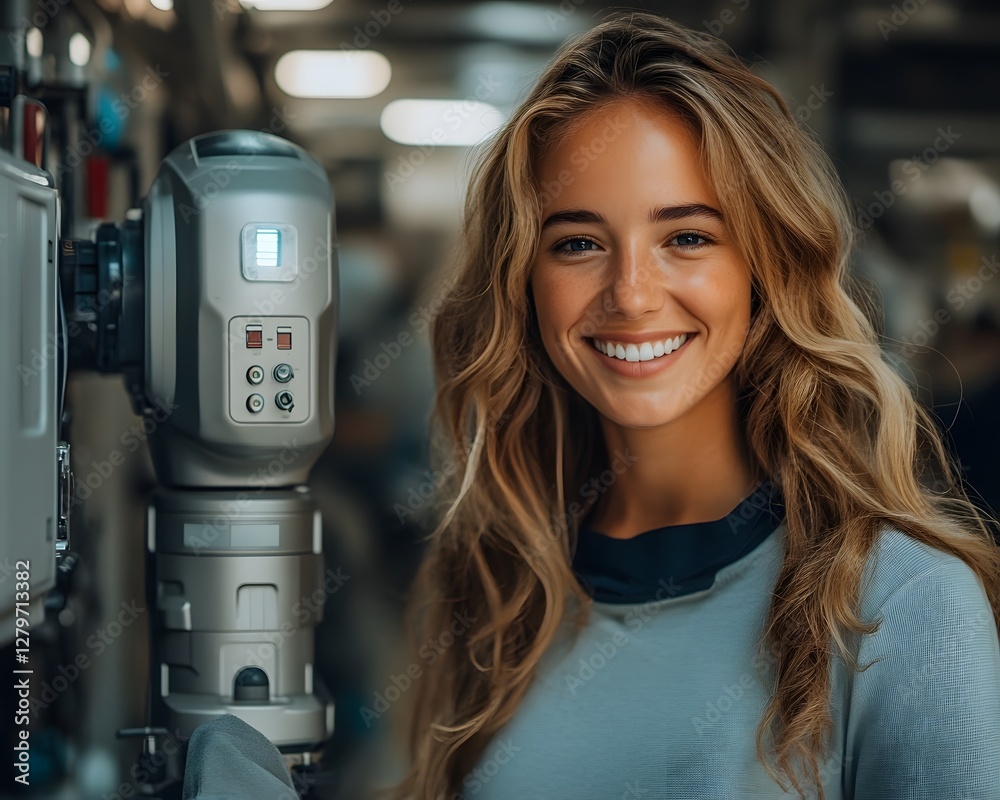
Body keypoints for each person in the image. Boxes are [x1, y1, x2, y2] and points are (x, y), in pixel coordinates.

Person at [386, 11, 1000, 800]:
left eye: (687, 238)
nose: (632, 295)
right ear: (523, 284)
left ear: (763, 264)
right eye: (578, 242)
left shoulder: (903, 602)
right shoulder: (505, 587)